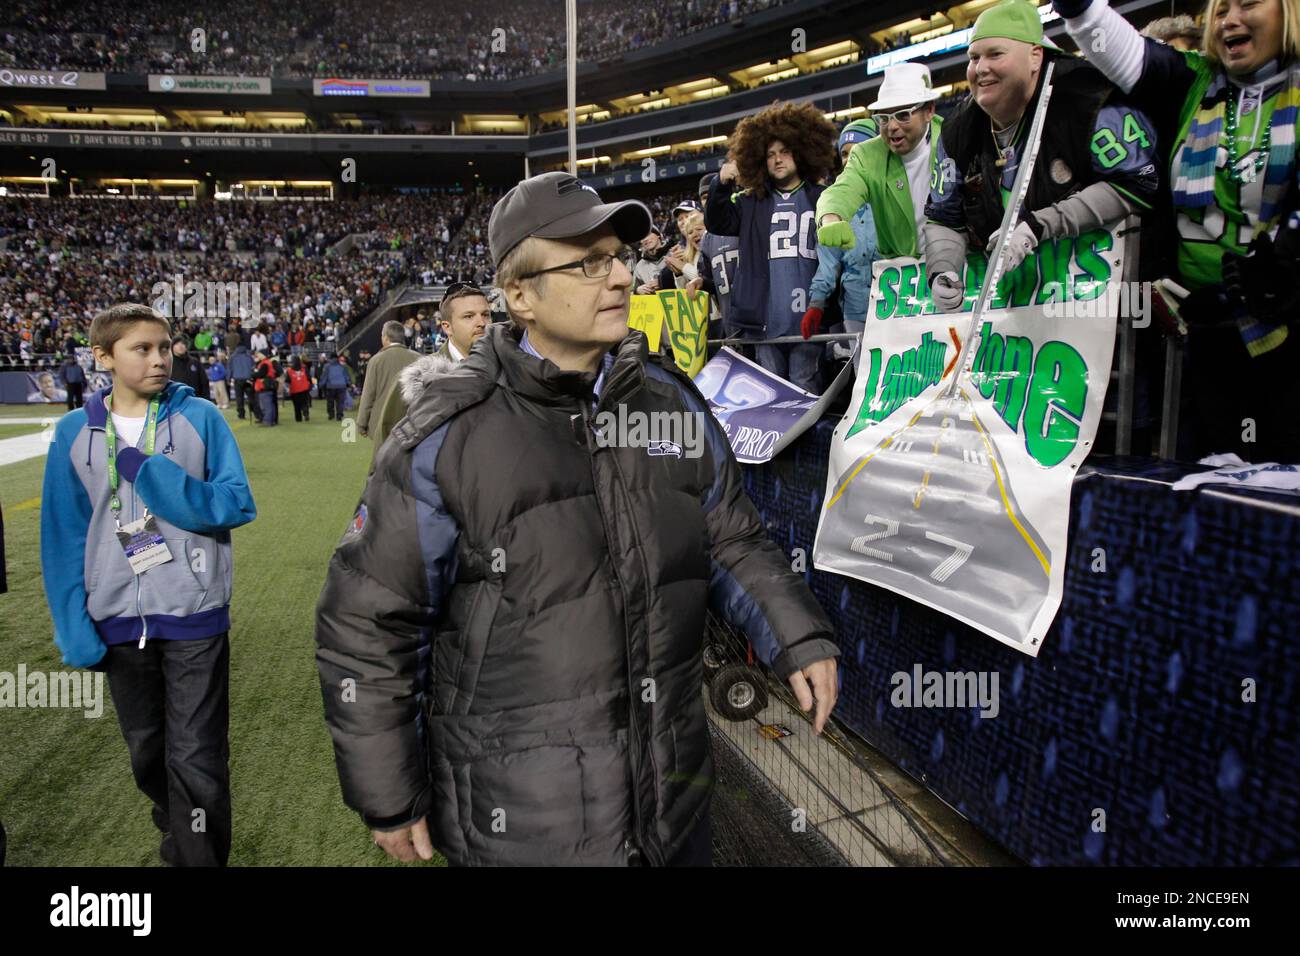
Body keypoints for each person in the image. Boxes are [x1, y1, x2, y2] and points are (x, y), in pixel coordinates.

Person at [315, 171, 840, 867]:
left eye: (620, 256)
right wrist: (387, 788)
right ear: (520, 295)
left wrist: (795, 633)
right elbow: (370, 619)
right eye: (588, 262)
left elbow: (730, 536)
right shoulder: (446, 435)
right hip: (528, 823)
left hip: (671, 802)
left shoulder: (669, 403)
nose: (620, 276)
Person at [39, 302, 256, 866]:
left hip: (193, 615)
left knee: (198, 756)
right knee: (148, 754)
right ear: (104, 357)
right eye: (143, 349)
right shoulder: (72, 432)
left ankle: (197, 855)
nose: (161, 359)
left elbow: (235, 504)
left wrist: (149, 473)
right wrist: (73, 626)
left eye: (164, 347)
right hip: (112, 618)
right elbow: (61, 536)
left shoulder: (201, 417)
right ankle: (181, 831)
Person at [1055, 0, 1300, 461]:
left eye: (1248, 4)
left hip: (1286, 339)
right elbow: (1121, 48)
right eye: (1221, 8)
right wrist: (1078, 6)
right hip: (1205, 332)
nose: (1230, 19)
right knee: (1214, 474)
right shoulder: (1195, 80)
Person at [924, 0, 1162, 315]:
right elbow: (944, 216)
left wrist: (1039, 225)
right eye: (974, 57)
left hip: (1103, 301)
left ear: (1035, 56)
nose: (981, 68)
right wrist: (943, 268)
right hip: (1017, 314)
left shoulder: (1088, 101)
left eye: (996, 54)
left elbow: (1138, 182)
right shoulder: (958, 129)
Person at [705, 101, 838, 393]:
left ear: (802, 152)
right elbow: (717, 222)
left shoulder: (824, 197)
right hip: (765, 321)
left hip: (809, 320)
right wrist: (721, 184)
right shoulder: (750, 201)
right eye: (770, 154)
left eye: (785, 151)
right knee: (770, 393)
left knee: (805, 390)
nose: (778, 160)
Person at [816, 63, 943, 263]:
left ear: (929, 111)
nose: (892, 126)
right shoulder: (867, 155)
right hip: (901, 275)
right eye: (883, 118)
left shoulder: (955, 139)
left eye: (903, 115)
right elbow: (842, 189)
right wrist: (831, 217)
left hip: (958, 265)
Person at [373, 284, 491, 447]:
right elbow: (388, 447)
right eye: (469, 316)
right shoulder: (417, 378)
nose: (481, 323)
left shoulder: (507, 369)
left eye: (486, 315)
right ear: (447, 327)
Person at [803, 118, 884, 344]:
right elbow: (828, 263)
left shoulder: (895, 192)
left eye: (857, 152)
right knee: (863, 375)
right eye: (845, 154)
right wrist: (816, 304)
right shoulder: (835, 203)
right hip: (856, 310)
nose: (850, 160)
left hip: (898, 304)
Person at [354, 320, 418, 457]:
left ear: (385, 338)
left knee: (382, 466)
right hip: (410, 422)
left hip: (382, 424)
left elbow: (368, 395)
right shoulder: (418, 358)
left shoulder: (376, 360)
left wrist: (362, 423)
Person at [228, 342, 258, 421]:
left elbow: (229, 368)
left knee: (239, 398)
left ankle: (241, 414)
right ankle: (256, 414)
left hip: (238, 380)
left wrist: (228, 378)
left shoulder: (233, 356)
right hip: (248, 379)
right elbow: (253, 367)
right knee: (252, 398)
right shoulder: (249, 356)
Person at [319, 352, 352, 421]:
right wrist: (348, 383)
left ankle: (331, 415)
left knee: (330, 402)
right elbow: (346, 376)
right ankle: (339, 415)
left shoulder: (327, 366)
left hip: (331, 386)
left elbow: (324, 376)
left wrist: (321, 384)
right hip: (341, 386)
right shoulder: (342, 366)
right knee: (340, 402)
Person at [252, 349, 282, 426]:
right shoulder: (268, 363)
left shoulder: (264, 364)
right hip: (269, 386)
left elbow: (260, 374)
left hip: (264, 386)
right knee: (270, 405)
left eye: (259, 354)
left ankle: (267, 421)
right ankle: (272, 420)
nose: (257, 355)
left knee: (266, 406)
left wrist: (253, 374)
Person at [286, 356, 313, 422]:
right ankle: (306, 413)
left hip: (295, 390)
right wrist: (310, 385)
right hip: (304, 389)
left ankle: (298, 419)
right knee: (305, 403)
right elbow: (309, 378)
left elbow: (287, 381)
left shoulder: (289, 371)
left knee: (296, 405)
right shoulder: (304, 368)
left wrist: (288, 389)